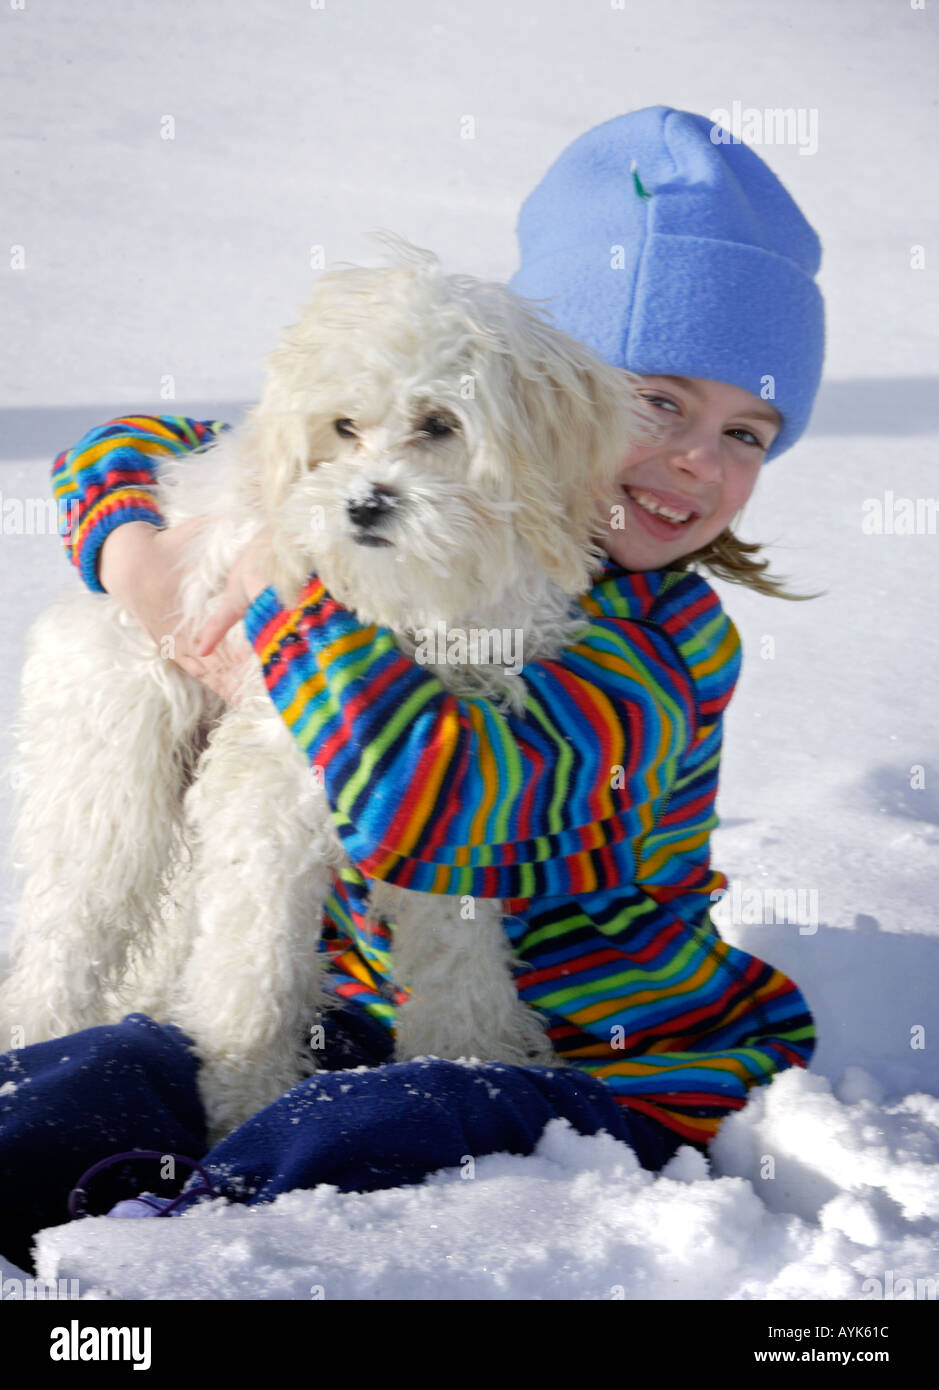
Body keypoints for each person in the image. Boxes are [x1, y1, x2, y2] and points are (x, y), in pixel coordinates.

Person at [0, 106, 824, 1275]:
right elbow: (154, 442)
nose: (701, 460)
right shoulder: (408, 530)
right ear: (552, 400)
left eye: (750, 431)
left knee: (325, 1142)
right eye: (661, 405)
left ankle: (163, 1267)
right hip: (360, 1016)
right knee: (80, 1086)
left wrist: (276, 596)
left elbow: (426, 800)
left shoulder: (663, 648)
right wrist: (145, 560)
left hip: (610, 1058)